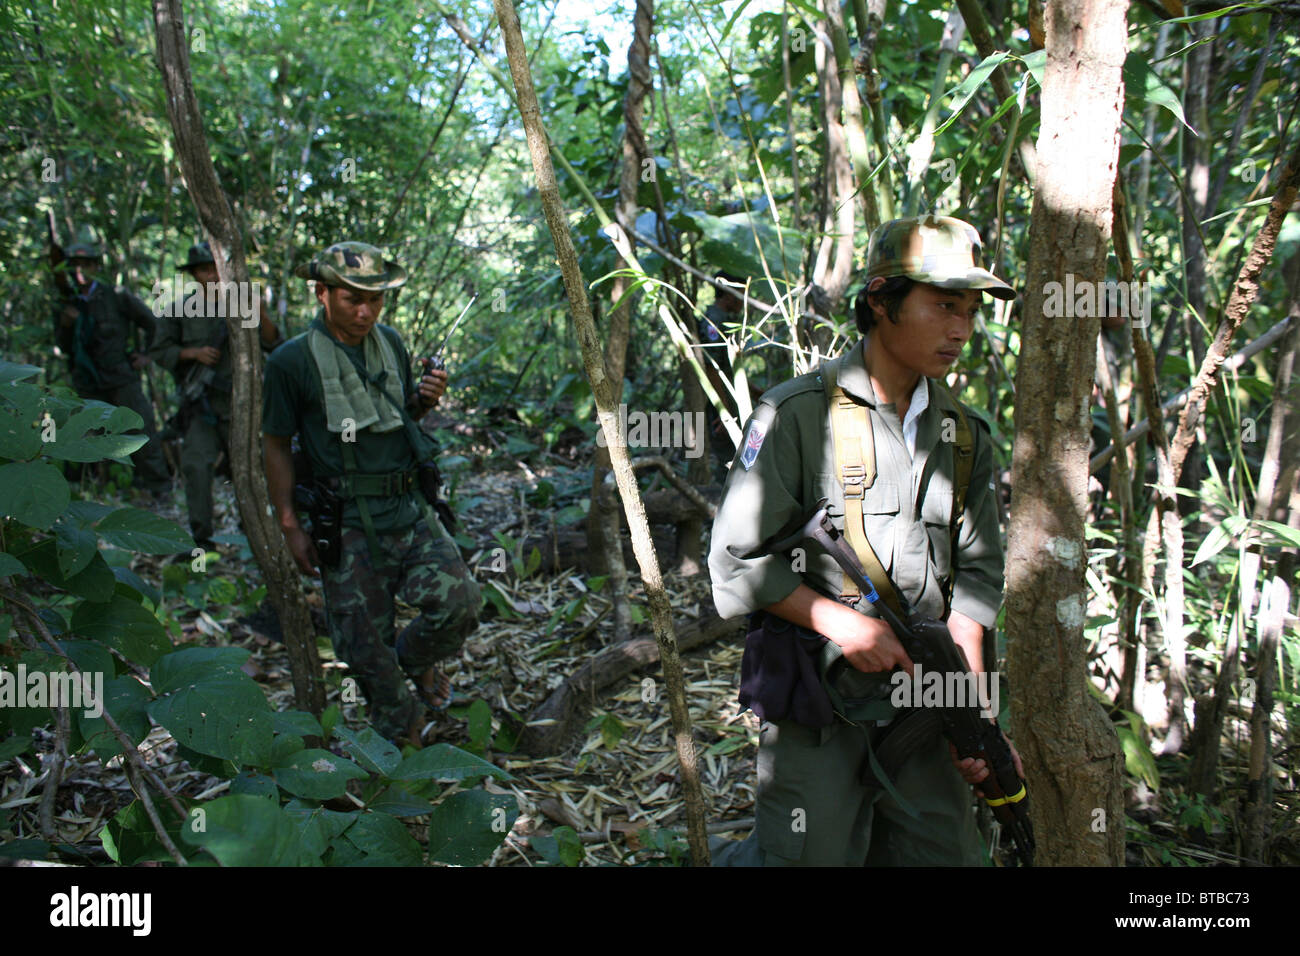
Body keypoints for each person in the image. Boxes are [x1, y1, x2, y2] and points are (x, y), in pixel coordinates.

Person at [707, 215, 1020, 866]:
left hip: (924, 704)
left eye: (968, 310)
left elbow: (976, 589)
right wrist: (844, 628)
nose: (961, 329)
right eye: (942, 306)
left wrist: (978, 720)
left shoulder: (965, 436)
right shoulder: (797, 415)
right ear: (880, 300)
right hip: (822, 703)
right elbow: (733, 563)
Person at [261, 241, 481, 746]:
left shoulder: (391, 343)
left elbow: (394, 420)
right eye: (350, 299)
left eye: (375, 301)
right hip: (346, 519)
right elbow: (274, 444)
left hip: (407, 507)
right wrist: (289, 523)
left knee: (463, 603)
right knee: (362, 646)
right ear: (322, 293)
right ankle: (402, 737)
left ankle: (413, 664)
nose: (364, 312)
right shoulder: (291, 361)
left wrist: (423, 403)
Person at [150, 241, 282, 547]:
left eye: (215, 269)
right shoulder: (179, 310)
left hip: (244, 406)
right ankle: (202, 541)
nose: (210, 275)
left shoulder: (242, 305)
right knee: (196, 466)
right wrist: (191, 353)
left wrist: (260, 310)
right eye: (203, 270)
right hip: (202, 406)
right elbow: (158, 350)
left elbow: (274, 344)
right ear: (194, 274)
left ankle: (258, 537)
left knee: (251, 472)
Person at [52, 234, 170, 496]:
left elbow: (152, 324)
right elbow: (62, 346)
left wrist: (146, 355)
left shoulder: (115, 296)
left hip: (121, 377)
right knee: (84, 437)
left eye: (87, 264)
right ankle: (92, 492)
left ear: (96, 266)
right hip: (86, 383)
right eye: (75, 265)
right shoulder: (65, 301)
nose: (81, 271)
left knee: (140, 429)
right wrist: (66, 325)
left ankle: (160, 489)